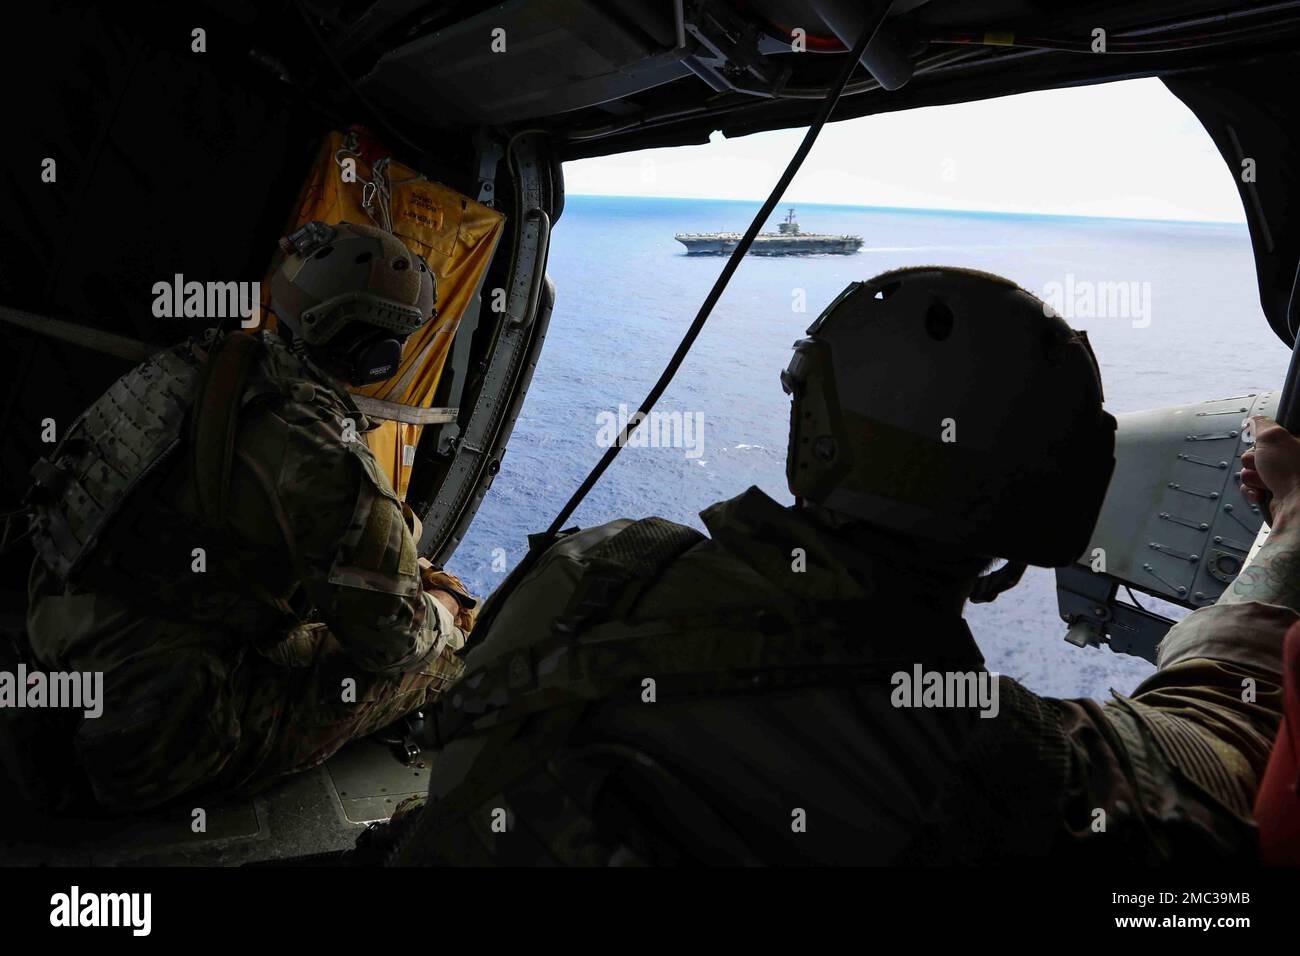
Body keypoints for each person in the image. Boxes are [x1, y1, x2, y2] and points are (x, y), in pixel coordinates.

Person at [379, 266, 1289, 865]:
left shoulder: (591, 568)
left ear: (812, 428)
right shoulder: (972, 751)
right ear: (1061, 489)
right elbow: (1229, 772)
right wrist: (1288, 530)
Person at [10, 220, 477, 813]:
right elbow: (391, 643)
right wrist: (445, 615)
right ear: (377, 351)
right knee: (438, 653)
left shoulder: (190, 365)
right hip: (152, 734)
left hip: (52, 632)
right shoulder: (323, 455)